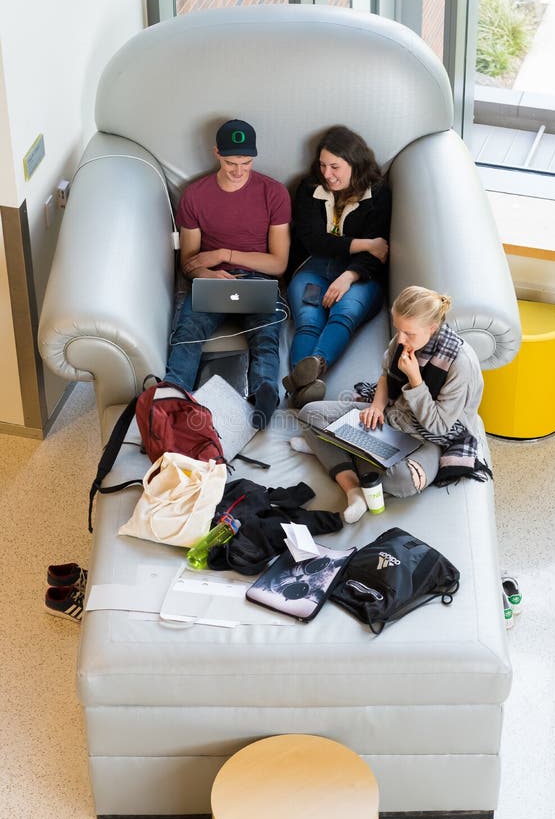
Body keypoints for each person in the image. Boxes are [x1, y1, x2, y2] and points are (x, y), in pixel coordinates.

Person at [295, 286, 491, 524]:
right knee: (309, 413)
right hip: (394, 415)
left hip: (432, 437)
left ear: (432, 327)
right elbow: (385, 377)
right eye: (398, 329)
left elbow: (438, 426)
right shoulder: (403, 340)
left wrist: (415, 380)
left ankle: (333, 447)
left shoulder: (460, 364)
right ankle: (354, 490)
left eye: (409, 333)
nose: (401, 339)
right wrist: (376, 407)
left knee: (404, 480)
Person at [164, 119, 291, 429]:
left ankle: (264, 397)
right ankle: (171, 397)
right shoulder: (195, 196)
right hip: (211, 282)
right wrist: (208, 272)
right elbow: (189, 264)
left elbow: (278, 264)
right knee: (188, 334)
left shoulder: (273, 193)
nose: (239, 170)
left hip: (257, 280)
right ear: (216, 153)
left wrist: (223, 254)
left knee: (266, 337)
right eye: (231, 162)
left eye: (246, 163)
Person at [282, 125, 392, 409]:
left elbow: (379, 253)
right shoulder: (308, 189)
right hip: (312, 266)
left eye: (335, 166)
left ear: (355, 163)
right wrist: (366, 243)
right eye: (322, 165)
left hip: (360, 272)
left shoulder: (378, 194)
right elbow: (316, 242)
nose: (327, 174)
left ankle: (307, 376)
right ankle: (306, 387)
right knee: (308, 319)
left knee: (345, 312)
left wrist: (349, 276)